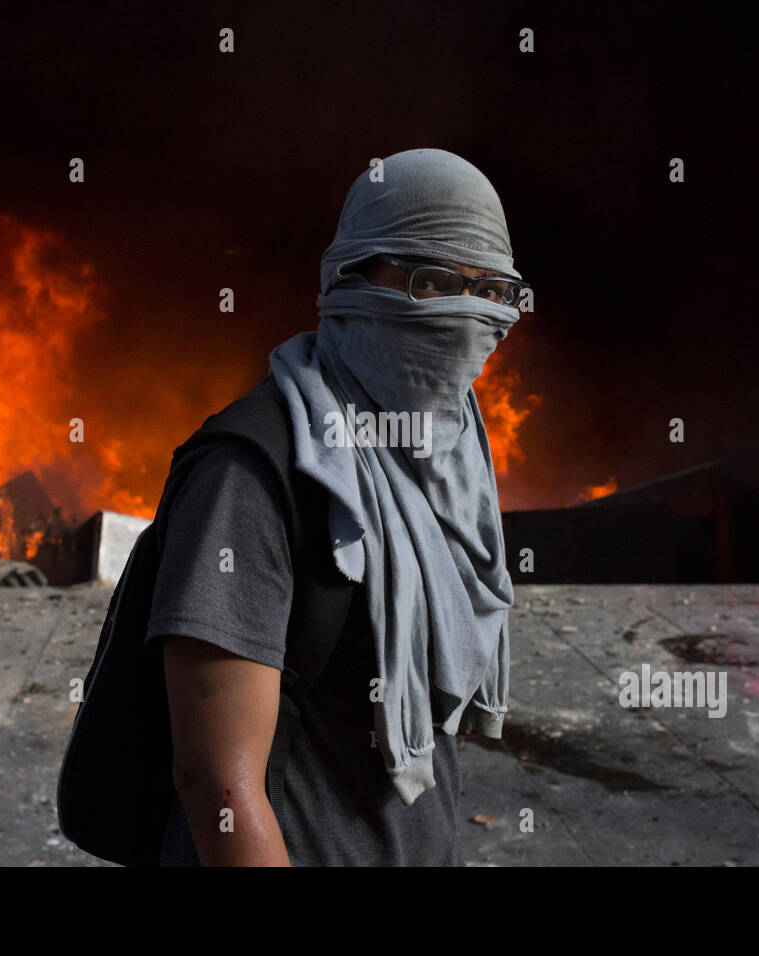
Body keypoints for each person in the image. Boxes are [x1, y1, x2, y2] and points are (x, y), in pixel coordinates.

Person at [150, 147, 528, 866]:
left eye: (495, 291)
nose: (468, 313)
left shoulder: (450, 456)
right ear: (349, 278)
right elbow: (216, 783)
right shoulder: (251, 472)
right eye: (431, 281)